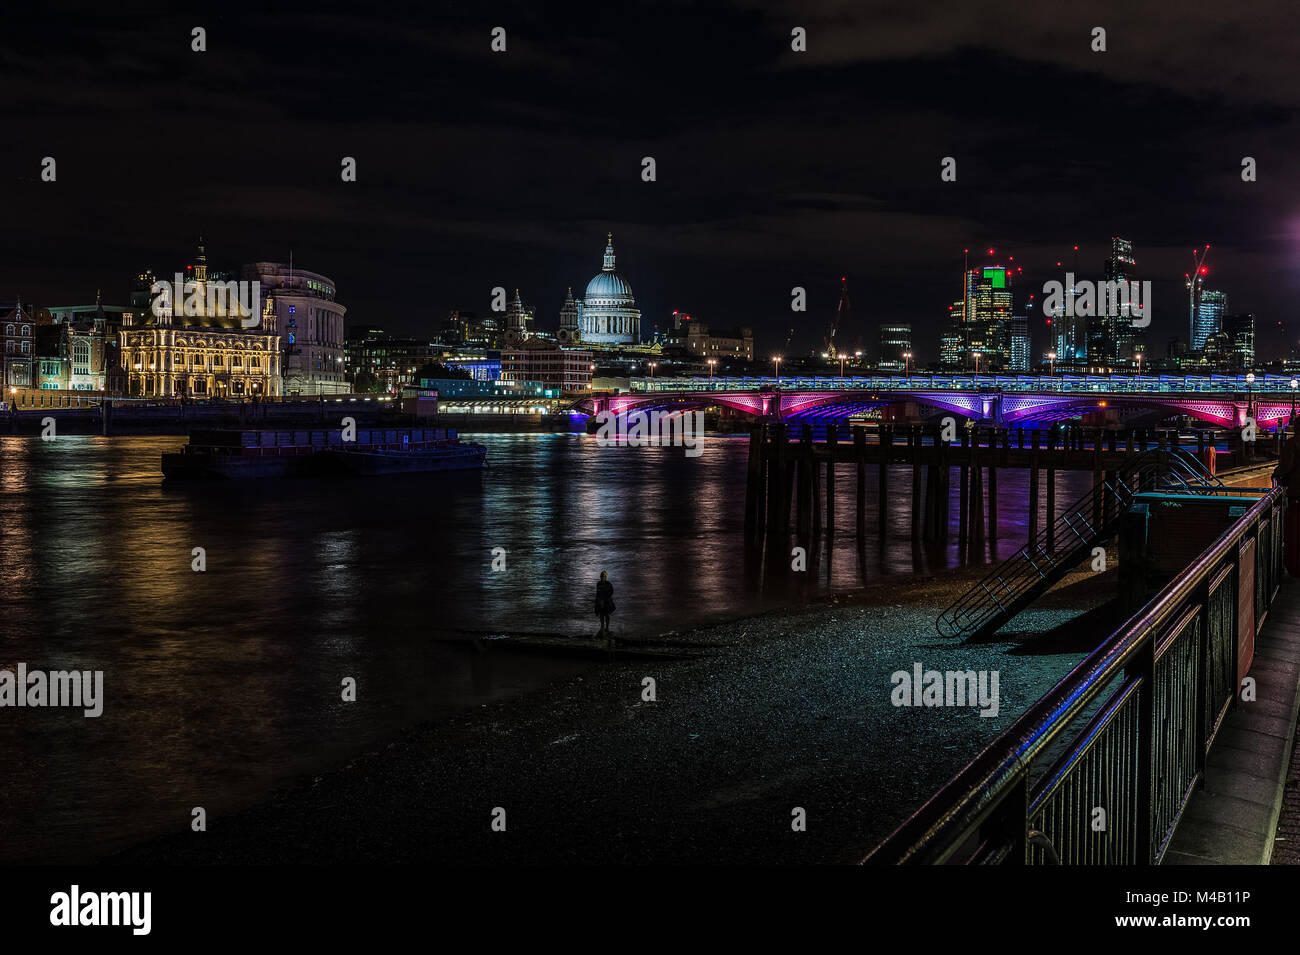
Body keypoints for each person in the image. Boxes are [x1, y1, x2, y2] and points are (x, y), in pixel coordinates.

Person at [1274, 423, 1300, 576]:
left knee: (1294, 532)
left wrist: (1276, 474)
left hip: (1296, 493)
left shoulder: (1293, 444)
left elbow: (1285, 467)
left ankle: (1295, 565)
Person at [594, 571, 615, 636]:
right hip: (600, 601)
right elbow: (597, 593)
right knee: (601, 615)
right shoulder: (598, 583)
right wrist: (598, 601)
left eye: (604, 577)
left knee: (607, 615)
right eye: (602, 576)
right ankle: (602, 627)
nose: (603, 578)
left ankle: (607, 628)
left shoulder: (608, 583)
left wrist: (606, 598)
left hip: (607, 602)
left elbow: (611, 592)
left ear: (606, 577)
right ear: (600, 577)